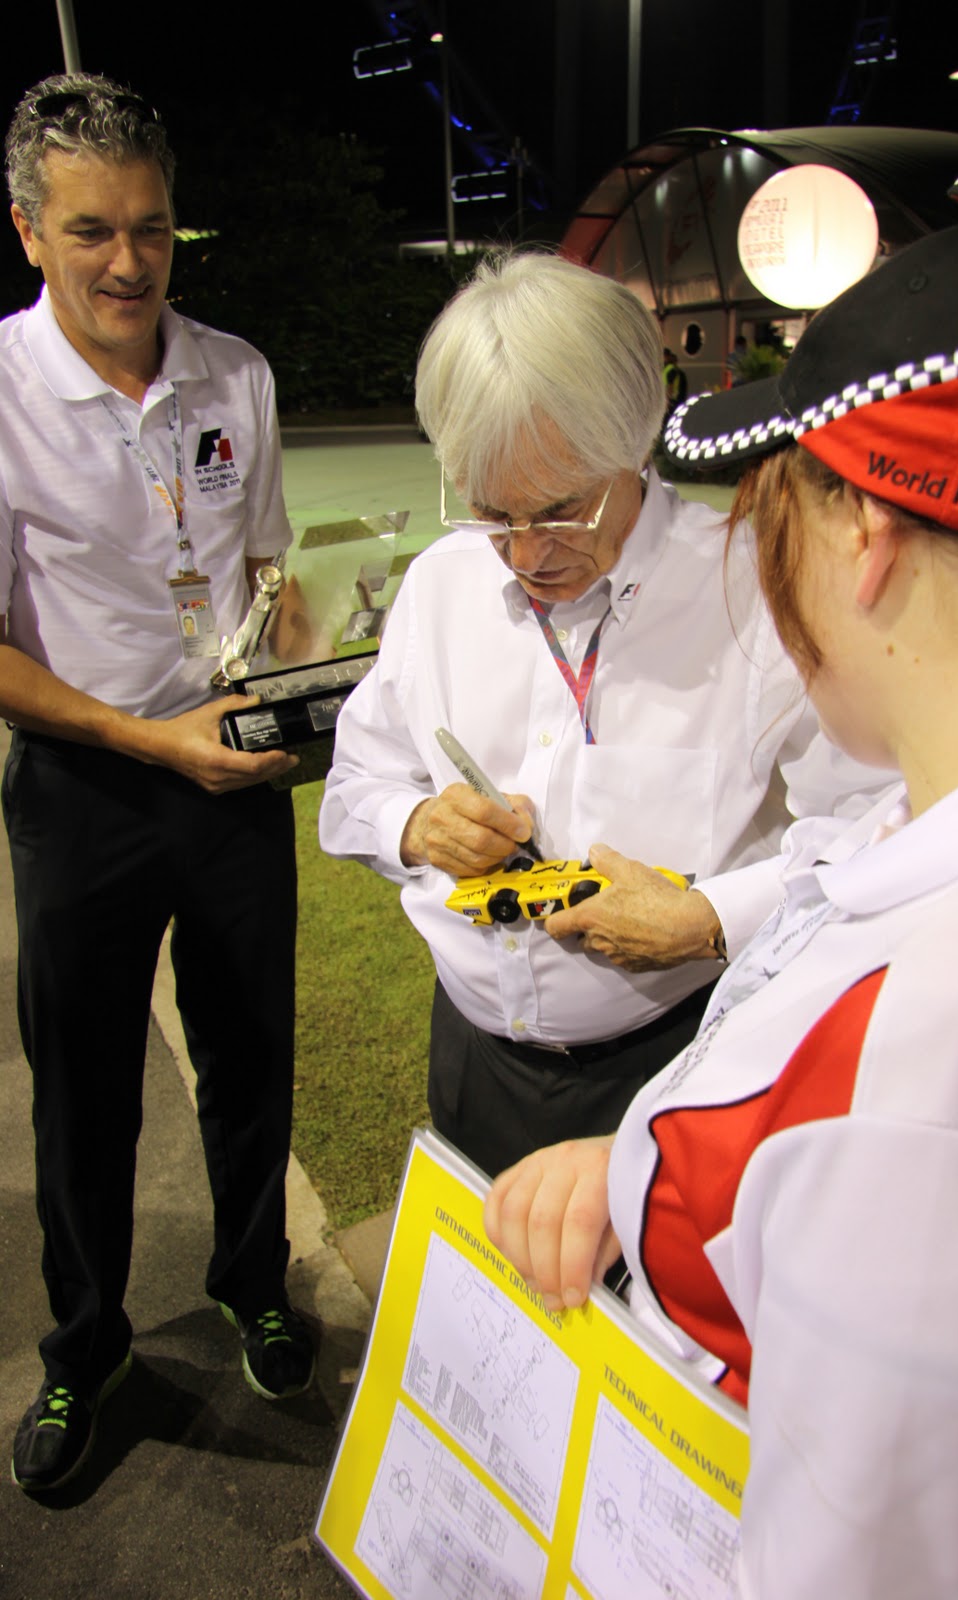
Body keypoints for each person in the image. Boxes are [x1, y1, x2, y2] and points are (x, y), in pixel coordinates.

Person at [484, 106, 958, 1598]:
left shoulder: (943, 1058)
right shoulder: (951, 821)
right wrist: (633, 1168)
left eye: (770, 505)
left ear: (864, 534)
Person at [320, 251, 890, 1179]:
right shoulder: (440, 585)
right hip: (472, 1055)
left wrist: (710, 919)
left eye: (560, 509)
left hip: (680, 1056)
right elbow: (355, 783)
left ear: (636, 441)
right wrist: (415, 824)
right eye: (490, 513)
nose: (524, 554)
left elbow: (877, 821)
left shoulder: (754, 590)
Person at [2, 73, 314, 1495]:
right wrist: (151, 740)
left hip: (233, 775)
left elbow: (265, 574)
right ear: (28, 231)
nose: (128, 261)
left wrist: (299, 675)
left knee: (250, 1057)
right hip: (87, 788)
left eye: (150, 226)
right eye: (90, 231)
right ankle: (86, 1345)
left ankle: (255, 1283)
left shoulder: (235, 372)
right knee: (83, 1093)